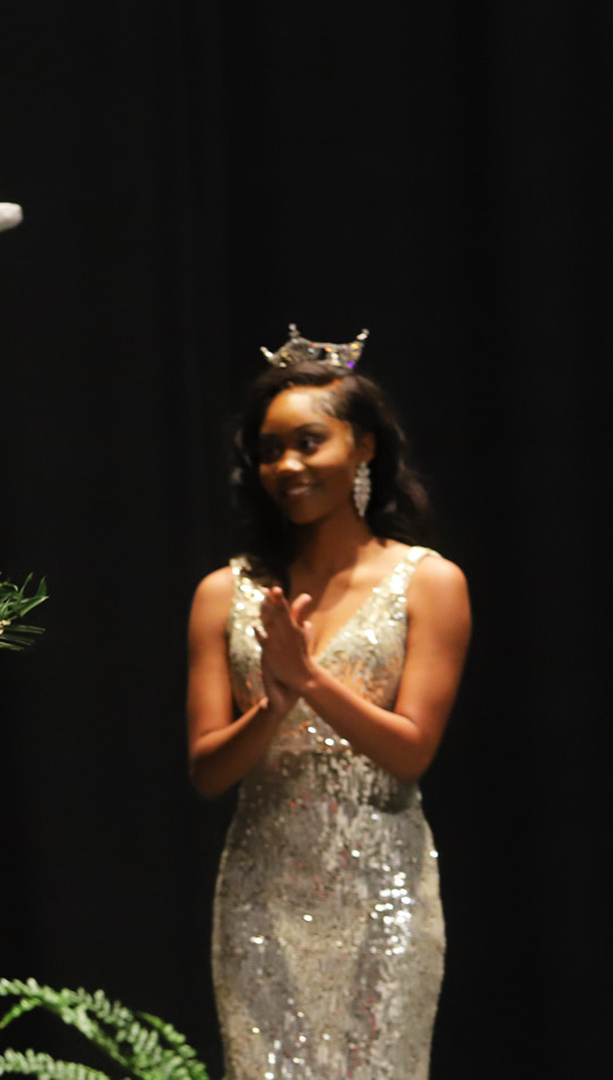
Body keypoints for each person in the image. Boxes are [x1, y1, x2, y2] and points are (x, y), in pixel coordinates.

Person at [184, 327, 471, 1079]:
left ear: (364, 447)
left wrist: (307, 679)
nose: (287, 466)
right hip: (262, 899)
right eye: (269, 450)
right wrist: (274, 702)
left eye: (308, 443)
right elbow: (208, 772)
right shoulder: (223, 592)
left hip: (384, 895)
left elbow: (412, 751)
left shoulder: (429, 582)